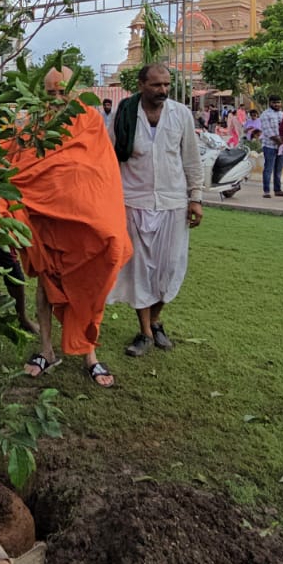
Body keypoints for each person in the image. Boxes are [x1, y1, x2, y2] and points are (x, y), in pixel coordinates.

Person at [0, 67, 132, 386]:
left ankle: (90, 355)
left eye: (63, 93)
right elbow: (19, 162)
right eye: (50, 94)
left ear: (75, 91)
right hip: (46, 219)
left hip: (83, 222)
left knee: (93, 280)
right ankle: (46, 350)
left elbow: (102, 171)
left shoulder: (89, 119)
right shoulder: (34, 122)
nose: (57, 100)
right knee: (47, 283)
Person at [108, 63, 203, 357]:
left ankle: (156, 318)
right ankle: (146, 332)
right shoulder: (123, 115)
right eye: (156, 85)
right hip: (133, 202)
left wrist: (196, 197)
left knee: (170, 267)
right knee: (139, 269)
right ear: (141, 85)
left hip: (173, 202)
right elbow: (110, 159)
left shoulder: (181, 115)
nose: (163, 90)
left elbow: (191, 159)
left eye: (166, 84)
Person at [259, 95, 283, 198]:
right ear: (270, 103)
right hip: (270, 146)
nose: (277, 104)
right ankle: (266, 191)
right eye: (274, 102)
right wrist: (280, 142)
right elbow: (268, 131)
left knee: (278, 169)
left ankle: (278, 190)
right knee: (268, 169)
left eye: (278, 102)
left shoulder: (282, 114)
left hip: (281, 146)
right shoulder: (265, 115)